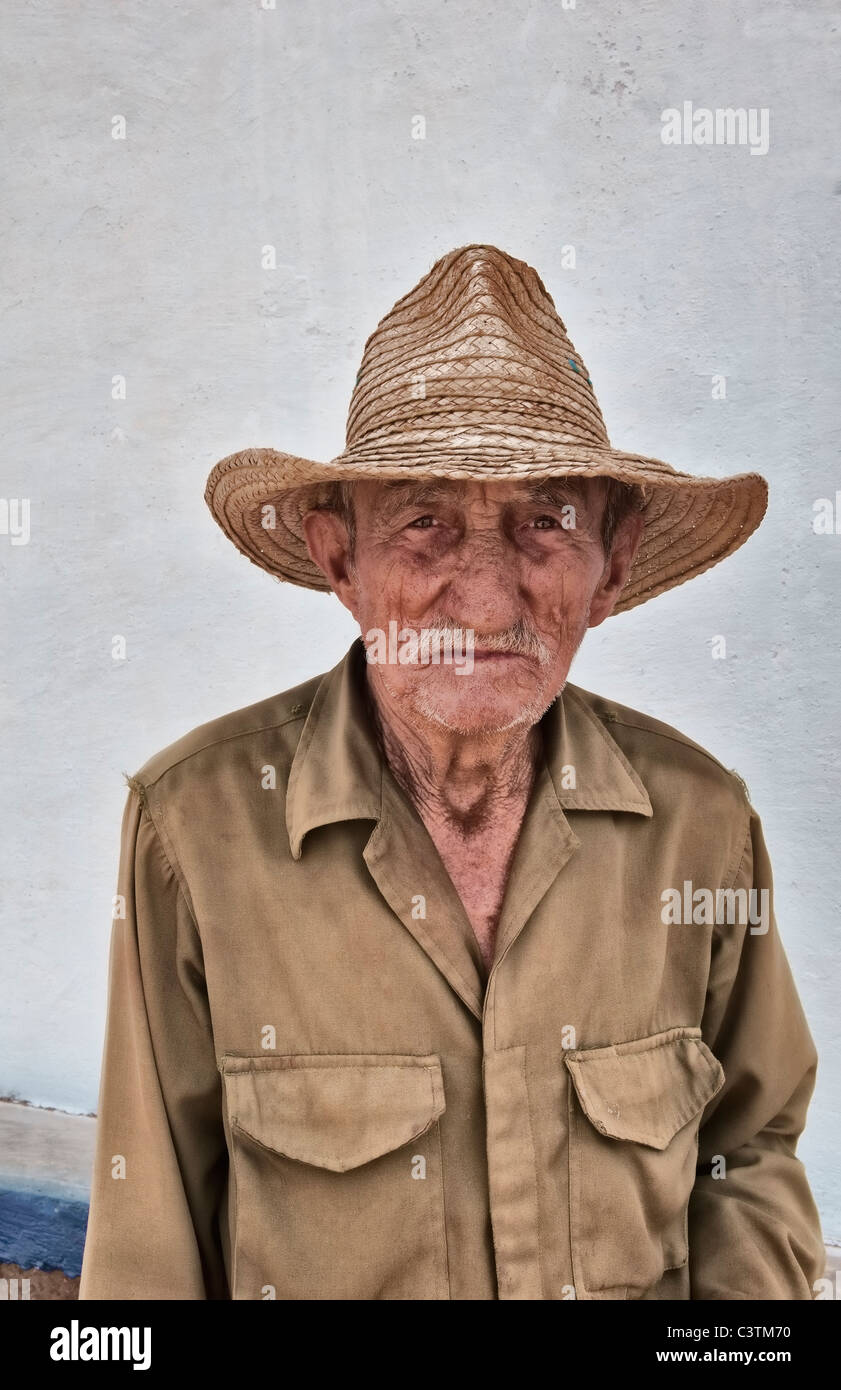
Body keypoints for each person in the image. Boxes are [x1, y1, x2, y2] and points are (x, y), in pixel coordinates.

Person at [79, 244, 824, 1300]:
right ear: (340, 558)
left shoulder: (700, 826)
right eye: (424, 521)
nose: (483, 599)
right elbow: (146, 1246)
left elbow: (748, 1147)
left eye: (545, 521)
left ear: (611, 565)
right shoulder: (196, 828)